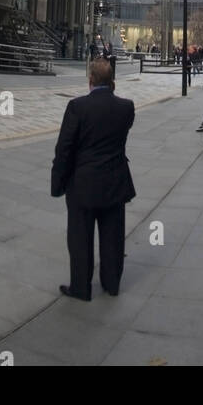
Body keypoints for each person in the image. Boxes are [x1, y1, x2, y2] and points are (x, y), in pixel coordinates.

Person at [51, 56, 135, 301]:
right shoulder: (126, 107)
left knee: (80, 238)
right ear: (112, 82)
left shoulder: (77, 107)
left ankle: (81, 287)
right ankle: (112, 283)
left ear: (90, 81)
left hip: (82, 183)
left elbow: (64, 149)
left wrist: (58, 183)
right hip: (114, 181)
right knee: (113, 237)